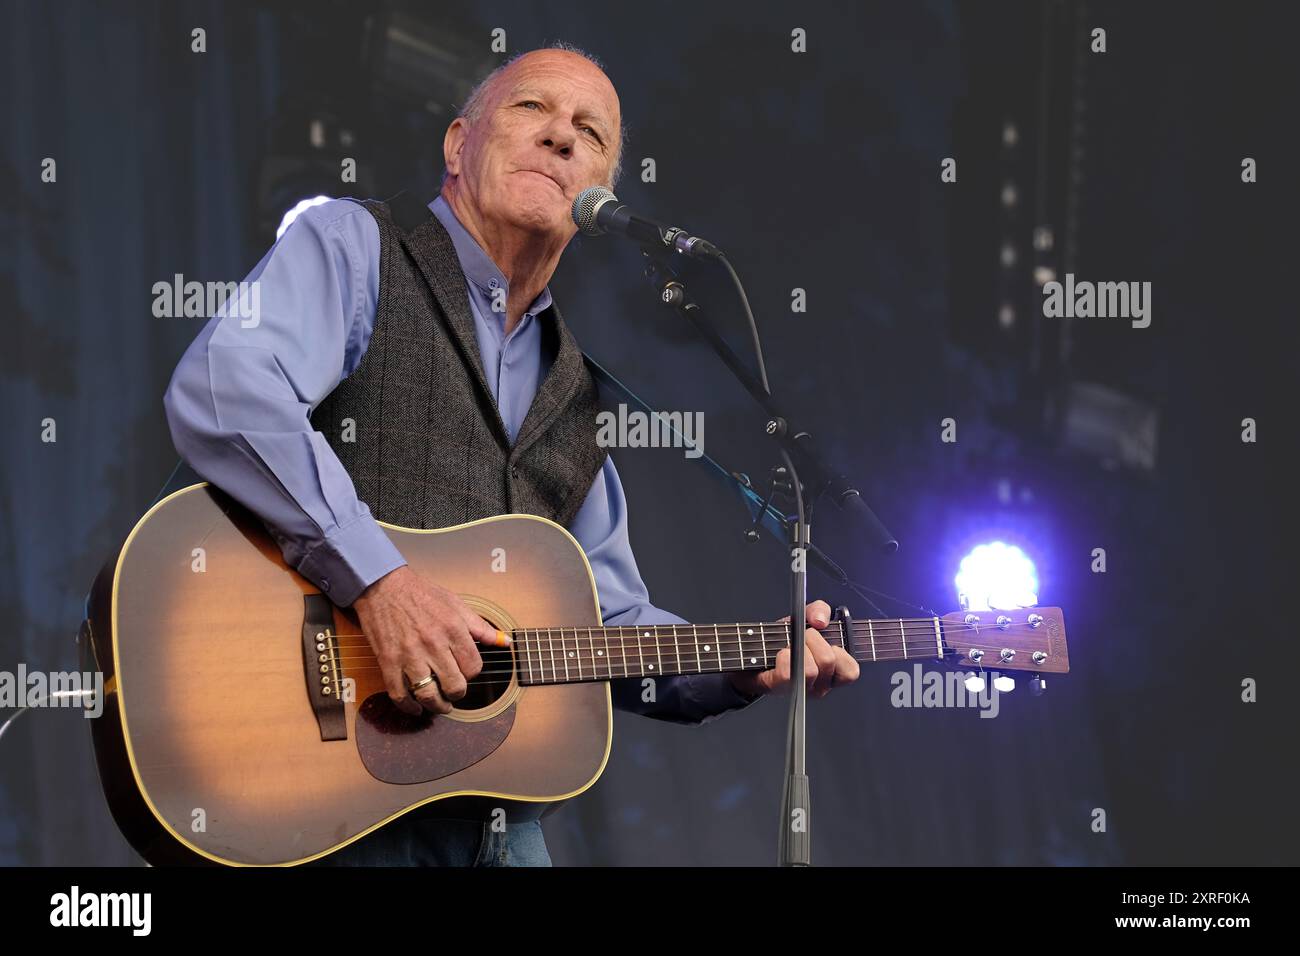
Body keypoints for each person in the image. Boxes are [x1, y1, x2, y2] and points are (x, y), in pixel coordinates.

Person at [162, 43, 859, 867]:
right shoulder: (356, 245)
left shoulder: (578, 390)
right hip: (310, 794)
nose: (563, 137)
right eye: (534, 109)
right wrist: (379, 580)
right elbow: (227, 391)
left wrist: (744, 667)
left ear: (599, 191)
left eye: (590, 132)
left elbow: (610, 626)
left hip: (493, 818)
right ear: (459, 145)